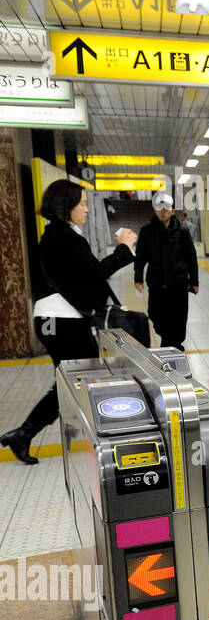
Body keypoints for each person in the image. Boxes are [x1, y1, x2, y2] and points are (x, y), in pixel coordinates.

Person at [0, 181, 136, 465]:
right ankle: (27, 433)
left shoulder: (60, 235)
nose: (87, 209)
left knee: (76, 379)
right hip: (59, 321)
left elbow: (84, 277)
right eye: (82, 204)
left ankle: (27, 433)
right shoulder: (62, 238)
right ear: (66, 206)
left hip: (59, 319)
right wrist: (124, 249)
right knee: (80, 377)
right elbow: (94, 274)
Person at [134, 193, 198, 350]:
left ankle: (173, 350)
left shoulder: (182, 232)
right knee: (157, 318)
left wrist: (194, 281)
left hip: (178, 284)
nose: (163, 210)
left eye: (167, 207)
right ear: (155, 210)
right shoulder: (147, 231)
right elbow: (140, 256)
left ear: (173, 211)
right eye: (159, 207)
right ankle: (170, 344)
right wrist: (138, 277)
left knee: (178, 320)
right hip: (157, 283)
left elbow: (191, 257)